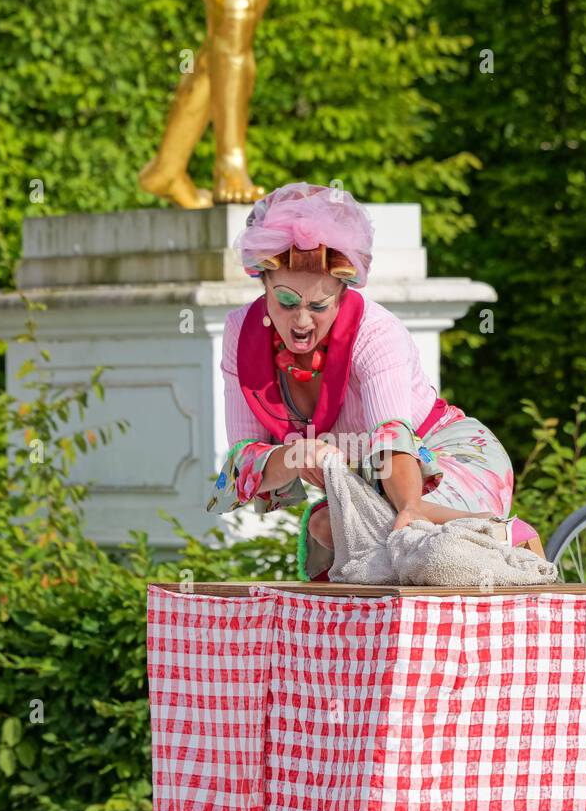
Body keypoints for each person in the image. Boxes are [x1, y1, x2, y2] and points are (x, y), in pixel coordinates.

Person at [206, 182, 543, 579]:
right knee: (325, 527)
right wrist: (298, 457)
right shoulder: (239, 333)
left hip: (444, 455)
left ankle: (505, 535)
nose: (301, 321)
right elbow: (244, 459)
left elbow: (392, 440)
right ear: (263, 285)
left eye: (318, 305)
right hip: (367, 476)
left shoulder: (376, 332)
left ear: (343, 294)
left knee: (418, 542)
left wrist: (411, 511)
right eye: (286, 301)